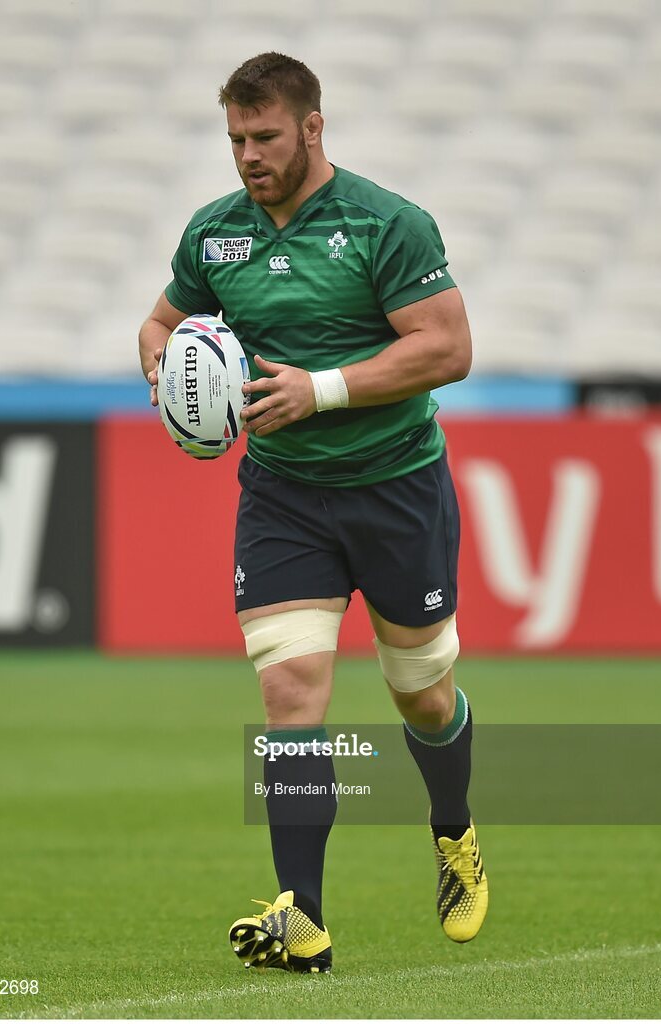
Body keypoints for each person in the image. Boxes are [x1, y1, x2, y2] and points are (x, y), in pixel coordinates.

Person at [139, 52, 487, 975]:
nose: (249, 156)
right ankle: (303, 920)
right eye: (236, 140)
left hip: (396, 484)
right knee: (291, 696)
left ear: (311, 128)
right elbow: (162, 325)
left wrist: (321, 390)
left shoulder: (387, 223)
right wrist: (172, 385)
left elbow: (447, 348)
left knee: (421, 693)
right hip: (284, 498)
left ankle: (452, 832)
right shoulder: (214, 235)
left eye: (264, 137)